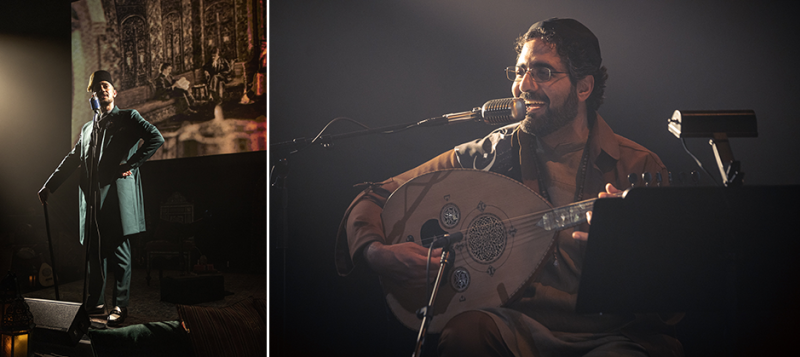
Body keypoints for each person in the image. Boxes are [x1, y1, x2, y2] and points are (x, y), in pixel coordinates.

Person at [335, 18, 683, 356]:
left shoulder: (639, 167)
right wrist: (375, 253)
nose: (524, 85)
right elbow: (375, 196)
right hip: (516, 330)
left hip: (608, 336)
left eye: (543, 72)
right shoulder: (490, 153)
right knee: (464, 334)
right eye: (519, 72)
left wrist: (627, 259)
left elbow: (676, 292)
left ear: (584, 87)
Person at [38, 70, 164, 326]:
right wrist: (49, 186)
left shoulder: (128, 117)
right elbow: (72, 160)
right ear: (92, 97)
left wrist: (132, 163)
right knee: (94, 254)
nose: (102, 90)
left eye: (106, 85)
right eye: (97, 88)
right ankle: (94, 303)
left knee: (119, 252)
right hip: (93, 200)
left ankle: (120, 305)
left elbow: (156, 138)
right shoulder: (87, 128)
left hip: (117, 198)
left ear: (114, 92)